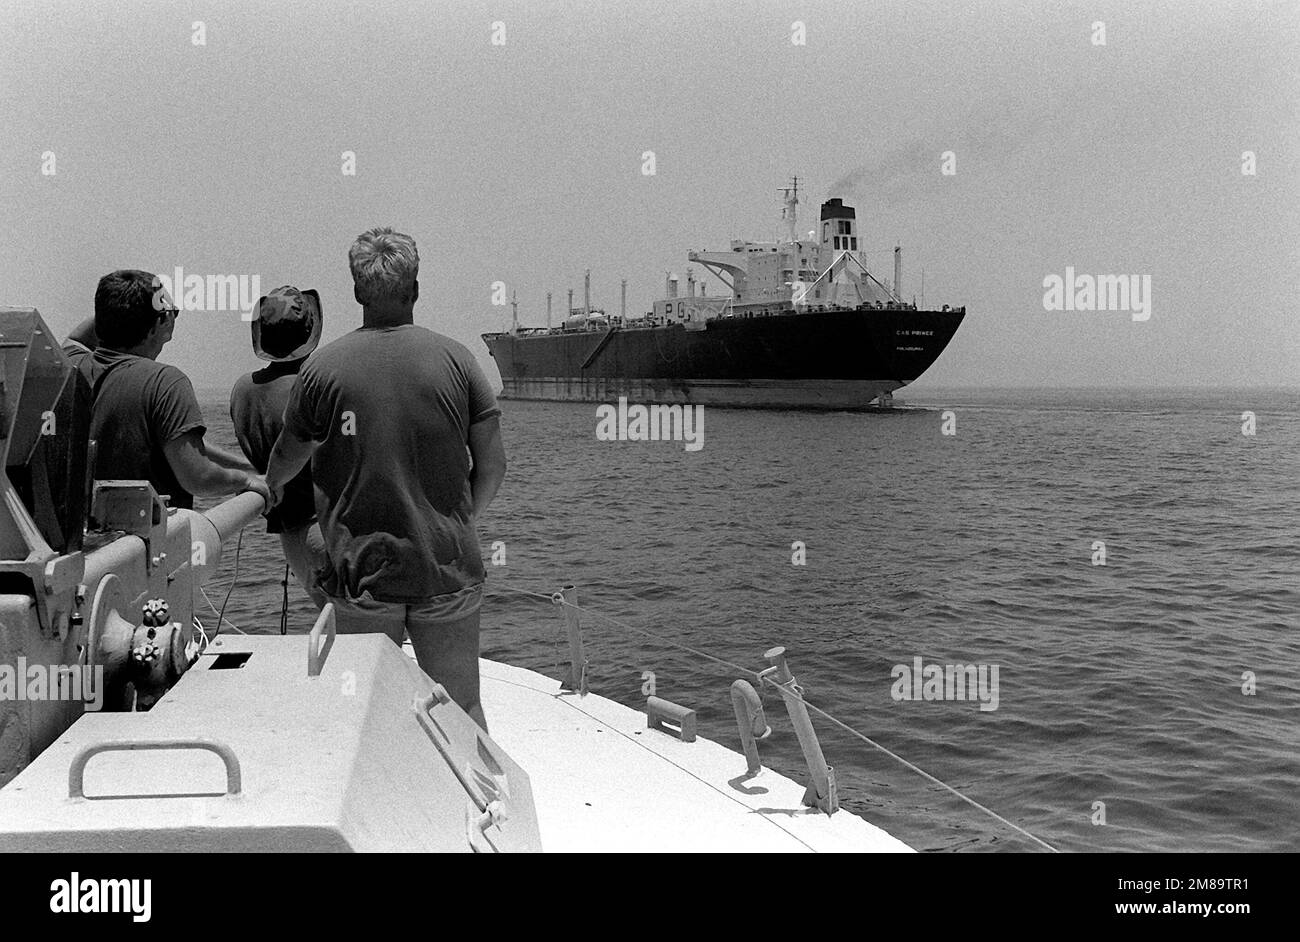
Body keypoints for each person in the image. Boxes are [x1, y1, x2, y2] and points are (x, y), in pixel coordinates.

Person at [265, 228, 506, 730]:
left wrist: (267, 483)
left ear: (356, 293)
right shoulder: (459, 360)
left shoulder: (321, 369)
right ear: (416, 288)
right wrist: (455, 522)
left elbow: (287, 460)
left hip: (361, 573)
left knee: (364, 713)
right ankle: (483, 804)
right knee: (463, 705)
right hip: (447, 567)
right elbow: (493, 465)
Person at [85, 269, 269, 509]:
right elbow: (199, 477)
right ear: (157, 324)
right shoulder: (166, 382)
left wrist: (247, 466)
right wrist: (246, 481)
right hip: (153, 540)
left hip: (89, 536)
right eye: (172, 311)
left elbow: (173, 441)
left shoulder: (73, 363)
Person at [229, 286, 327, 608]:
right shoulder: (314, 388)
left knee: (338, 629)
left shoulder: (243, 390)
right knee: (366, 636)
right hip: (326, 528)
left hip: (291, 537)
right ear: (310, 330)